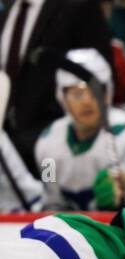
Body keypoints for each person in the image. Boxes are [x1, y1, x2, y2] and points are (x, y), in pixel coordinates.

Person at [0, 0, 113, 172]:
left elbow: (99, 71)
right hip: (7, 149)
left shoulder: (78, 6)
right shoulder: (7, 10)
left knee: (52, 188)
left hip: (54, 143)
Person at [33, 48, 125, 212]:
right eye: (77, 94)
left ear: (107, 94)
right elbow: (52, 203)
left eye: (95, 92)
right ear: (62, 98)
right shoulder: (47, 145)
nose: (87, 102)